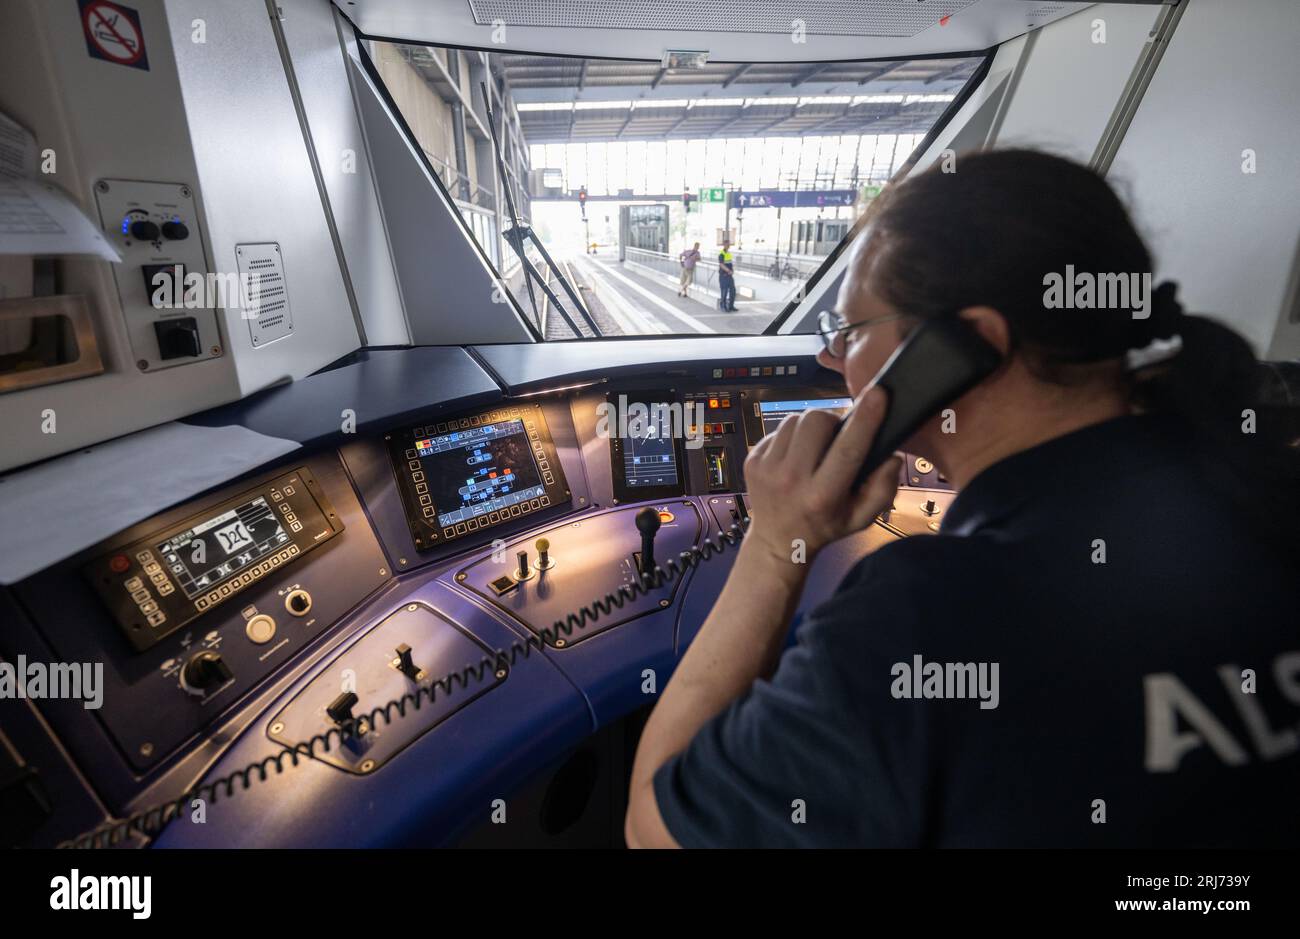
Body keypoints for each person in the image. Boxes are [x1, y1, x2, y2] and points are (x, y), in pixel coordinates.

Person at [625, 149, 1300, 848]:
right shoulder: (1269, 494)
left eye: (852, 333)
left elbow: (655, 828)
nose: (832, 359)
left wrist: (774, 543)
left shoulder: (927, 614)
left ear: (966, 343)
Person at [717, 243, 736, 312]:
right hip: (724, 276)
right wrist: (728, 271)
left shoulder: (728, 253)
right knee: (724, 291)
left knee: (733, 291)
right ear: (724, 245)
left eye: (729, 245)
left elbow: (730, 264)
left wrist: (732, 270)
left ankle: (731, 306)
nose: (728, 246)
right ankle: (723, 306)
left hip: (729, 276)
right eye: (727, 245)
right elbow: (721, 265)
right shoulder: (721, 254)